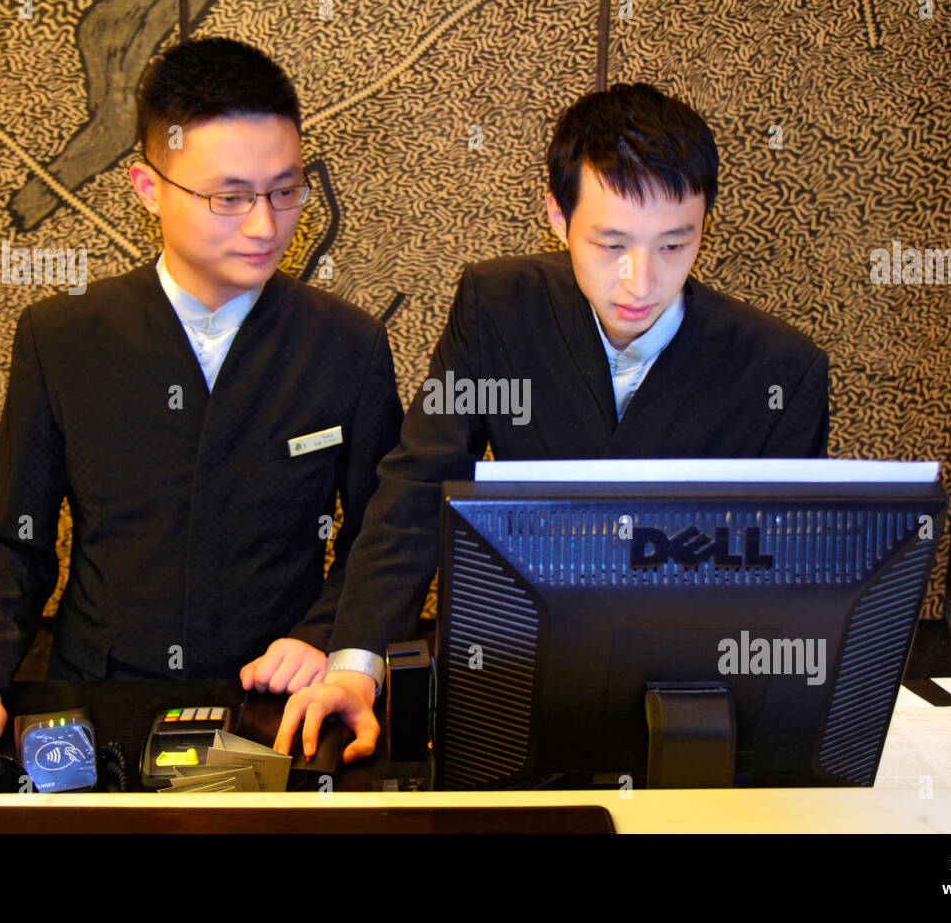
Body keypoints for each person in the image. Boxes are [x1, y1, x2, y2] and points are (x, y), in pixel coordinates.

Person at [261, 82, 830, 763]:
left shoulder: (780, 372)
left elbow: (788, 580)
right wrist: (354, 667)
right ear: (557, 218)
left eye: (675, 246)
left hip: (696, 709)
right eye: (611, 243)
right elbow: (420, 483)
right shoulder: (499, 308)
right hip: (520, 678)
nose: (639, 282)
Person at [0, 37, 403, 755]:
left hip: (280, 703)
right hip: (97, 703)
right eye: (229, 197)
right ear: (148, 187)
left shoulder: (346, 344)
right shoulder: (62, 335)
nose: (266, 226)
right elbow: (13, 541)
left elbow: (378, 535)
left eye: (285, 191)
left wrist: (323, 638)